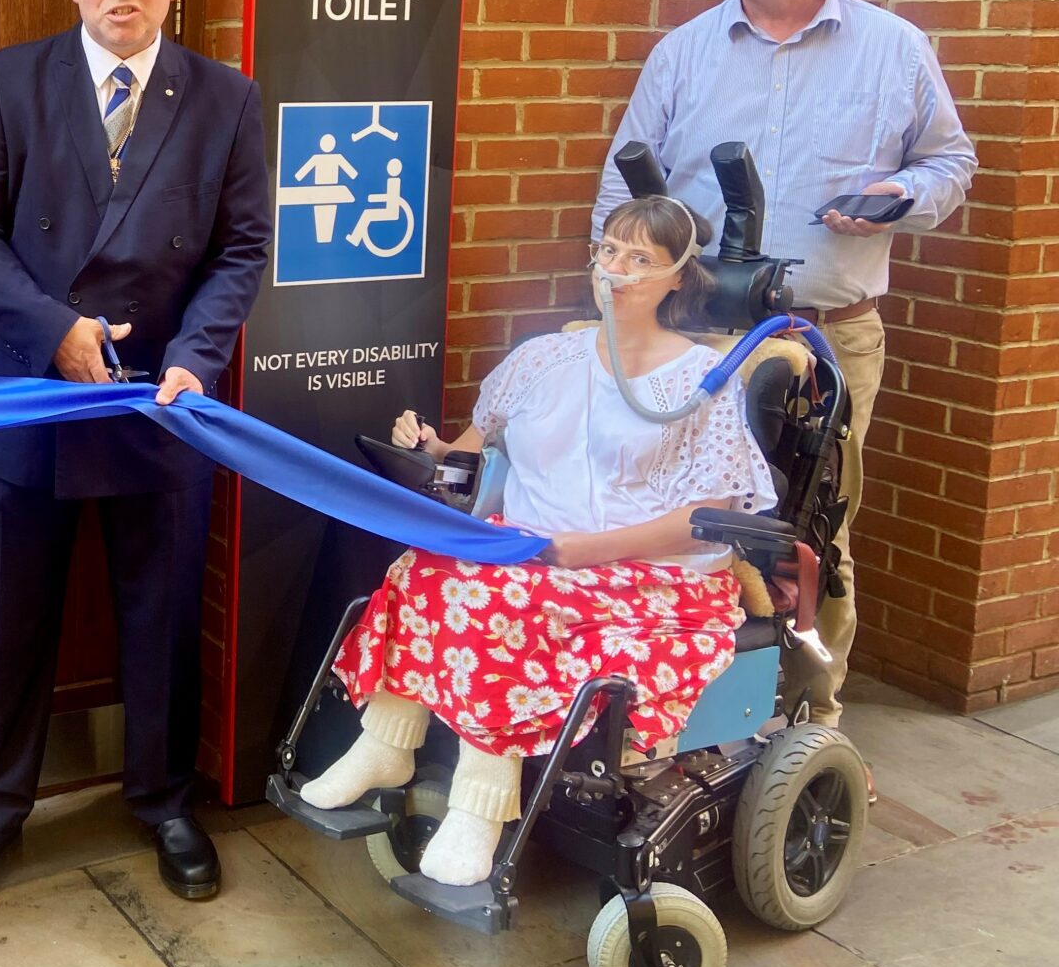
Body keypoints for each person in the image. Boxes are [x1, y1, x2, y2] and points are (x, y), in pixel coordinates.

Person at [0, 0, 270, 912]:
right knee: (6, 619)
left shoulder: (226, 98)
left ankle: (165, 804)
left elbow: (241, 247)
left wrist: (197, 358)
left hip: (157, 403)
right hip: (29, 396)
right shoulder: (8, 81)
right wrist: (55, 329)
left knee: (160, 615)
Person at [592, 0, 975, 724]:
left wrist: (899, 199)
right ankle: (685, 718)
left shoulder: (894, 47)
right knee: (682, 523)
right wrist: (620, 301)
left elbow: (951, 163)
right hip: (693, 341)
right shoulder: (683, 50)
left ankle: (809, 728)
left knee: (812, 532)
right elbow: (624, 193)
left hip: (831, 341)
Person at [299, 196, 776, 886]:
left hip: (645, 574)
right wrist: (429, 448)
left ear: (678, 276)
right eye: (609, 252)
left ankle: (479, 808)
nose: (616, 271)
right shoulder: (545, 358)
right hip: (532, 551)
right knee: (424, 569)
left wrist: (588, 549)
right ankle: (386, 742)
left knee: (501, 600)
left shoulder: (702, 381)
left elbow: (708, 512)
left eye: (640, 259)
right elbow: (468, 457)